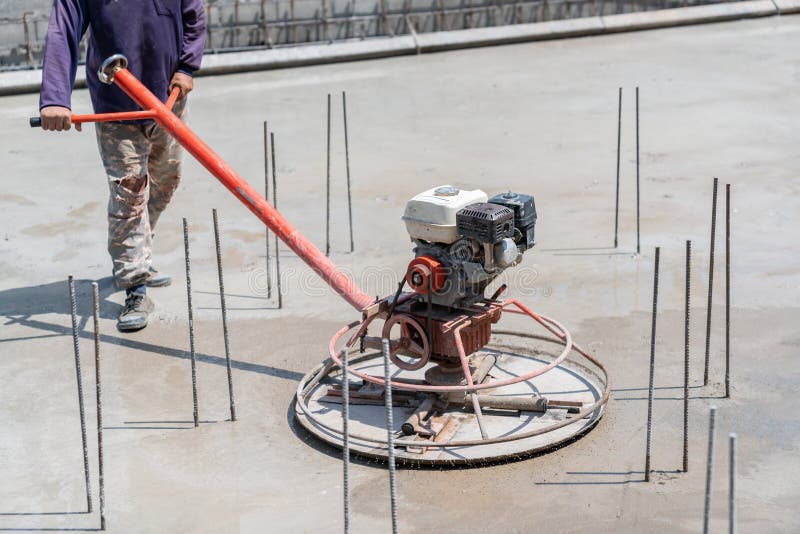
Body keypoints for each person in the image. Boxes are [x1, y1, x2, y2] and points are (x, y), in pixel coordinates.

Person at [38, 0, 206, 332]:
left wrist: (187, 67)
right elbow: (63, 31)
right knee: (129, 191)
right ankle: (135, 284)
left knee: (166, 180)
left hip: (168, 97)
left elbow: (193, 13)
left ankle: (138, 253)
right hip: (117, 105)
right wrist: (56, 98)